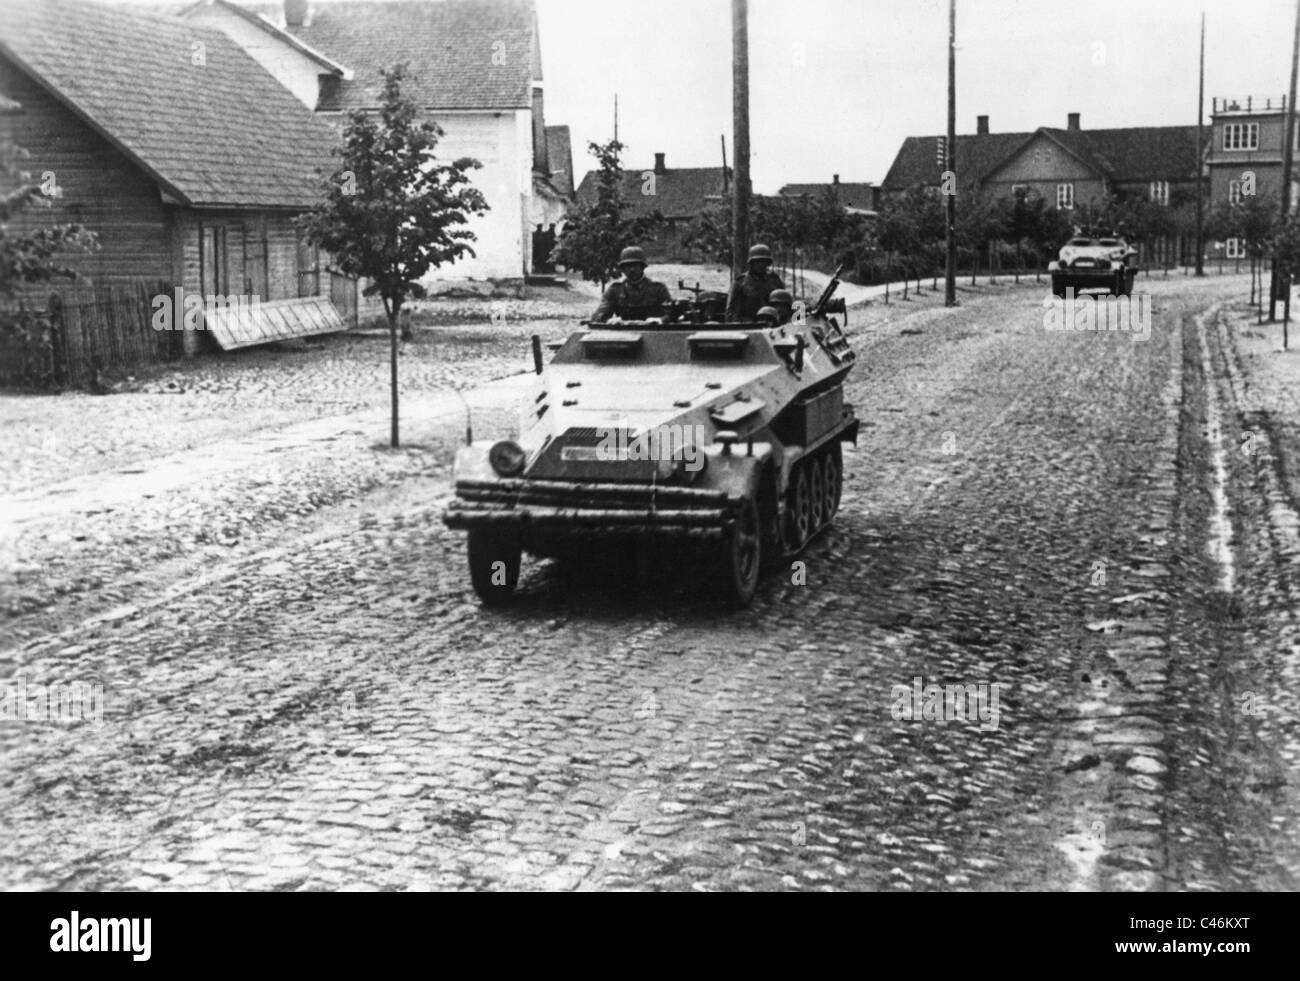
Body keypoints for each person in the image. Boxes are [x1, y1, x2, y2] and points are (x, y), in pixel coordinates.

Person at [592, 246, 672, 322]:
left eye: (635, 265)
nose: (632, 269)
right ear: (622, 269)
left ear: (642, 267)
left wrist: (661, 320)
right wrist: (608, 320)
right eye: (628, 266)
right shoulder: (615, 289)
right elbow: (599, 314)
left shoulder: (658, 288)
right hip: (624, 332)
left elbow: (671, 313)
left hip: (654, 331)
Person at [726, 243, 785, 322]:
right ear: (751, 263)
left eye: (764, 261)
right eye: (757, 262)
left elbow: (785, 303)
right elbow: (730, 310)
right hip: (747, 325)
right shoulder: (740, 282)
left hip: (772, 323)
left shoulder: (774, 281)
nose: (761, 265)